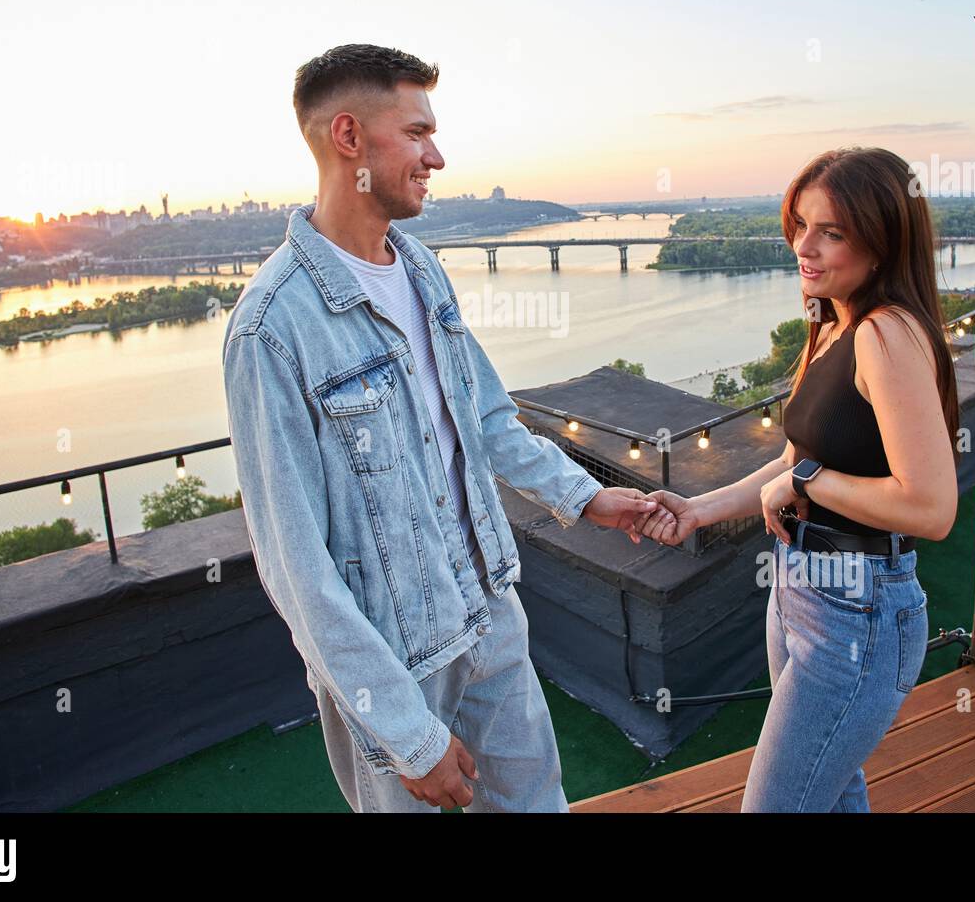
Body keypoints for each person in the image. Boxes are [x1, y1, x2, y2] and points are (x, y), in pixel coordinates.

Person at [222, 43, 668, 813]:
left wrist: (588, 498)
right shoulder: (271, 329)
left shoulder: (421, 268)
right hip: (395, 660)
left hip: (489, 610)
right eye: (418, 132)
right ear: (350, 139)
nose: (438, 155)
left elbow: (485, 418)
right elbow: (296, 567)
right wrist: (407, 734)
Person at [632, 146, 960, 812]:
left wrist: (810, 483)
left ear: (883, 238)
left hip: (859, 613)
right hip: (801, 592)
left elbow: (931, 508)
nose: (803, 247)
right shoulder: (834, 325)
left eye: (831, 232)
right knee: (832, 791)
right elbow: (790, 461)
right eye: (800, 225)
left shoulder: (885, 335)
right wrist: (698, 509)